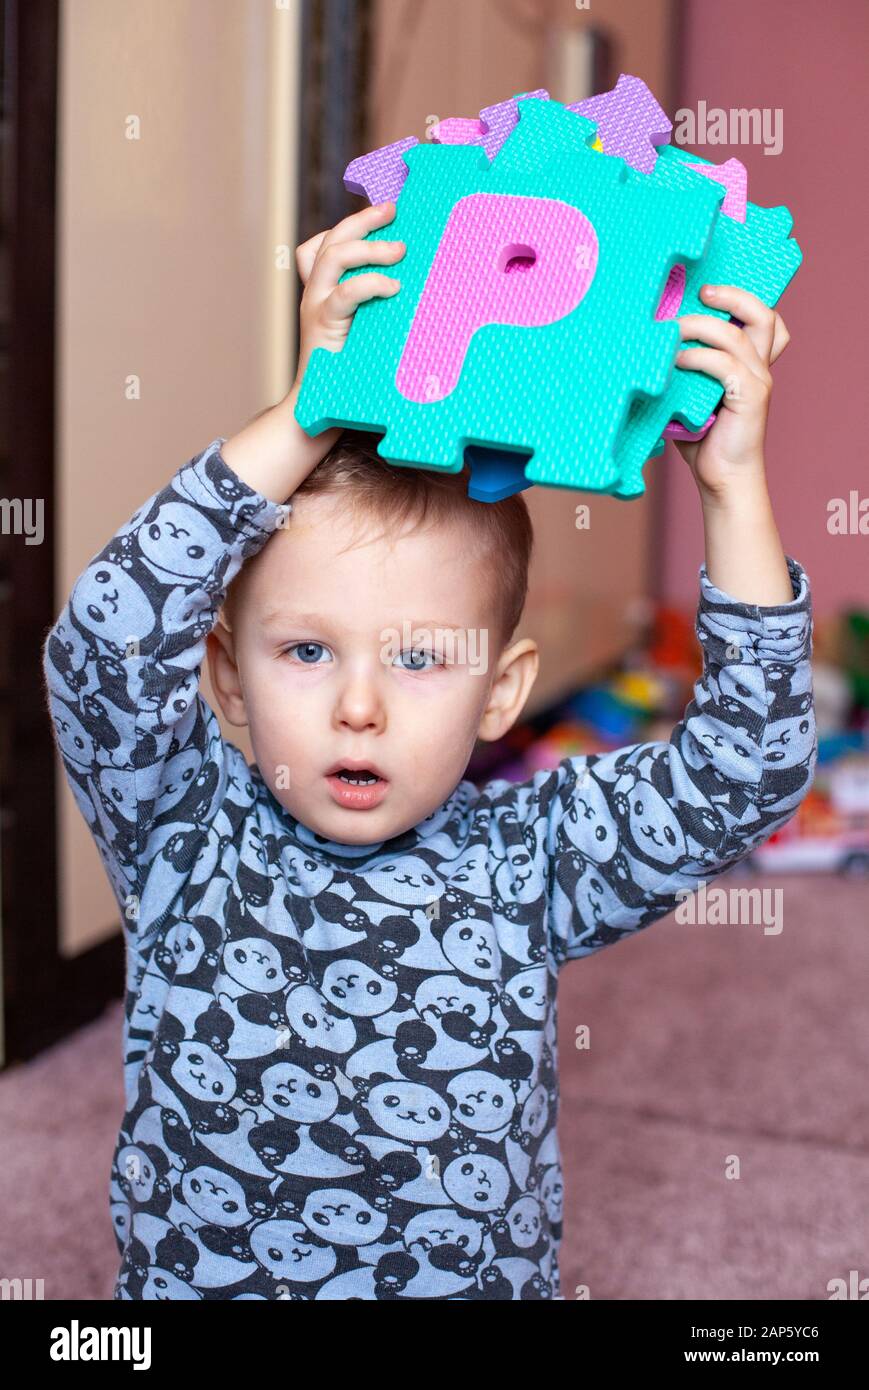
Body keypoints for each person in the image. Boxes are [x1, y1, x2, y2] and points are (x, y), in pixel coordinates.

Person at [41, 200, 816, 1300]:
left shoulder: (530, 857)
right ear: (225, 676)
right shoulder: (182, 828)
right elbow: (104, 643)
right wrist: (310, 411)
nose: (360, 705)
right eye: (307, 650)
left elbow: (745, 771)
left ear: (499, 691)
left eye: (418, 659)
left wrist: (733, 485)